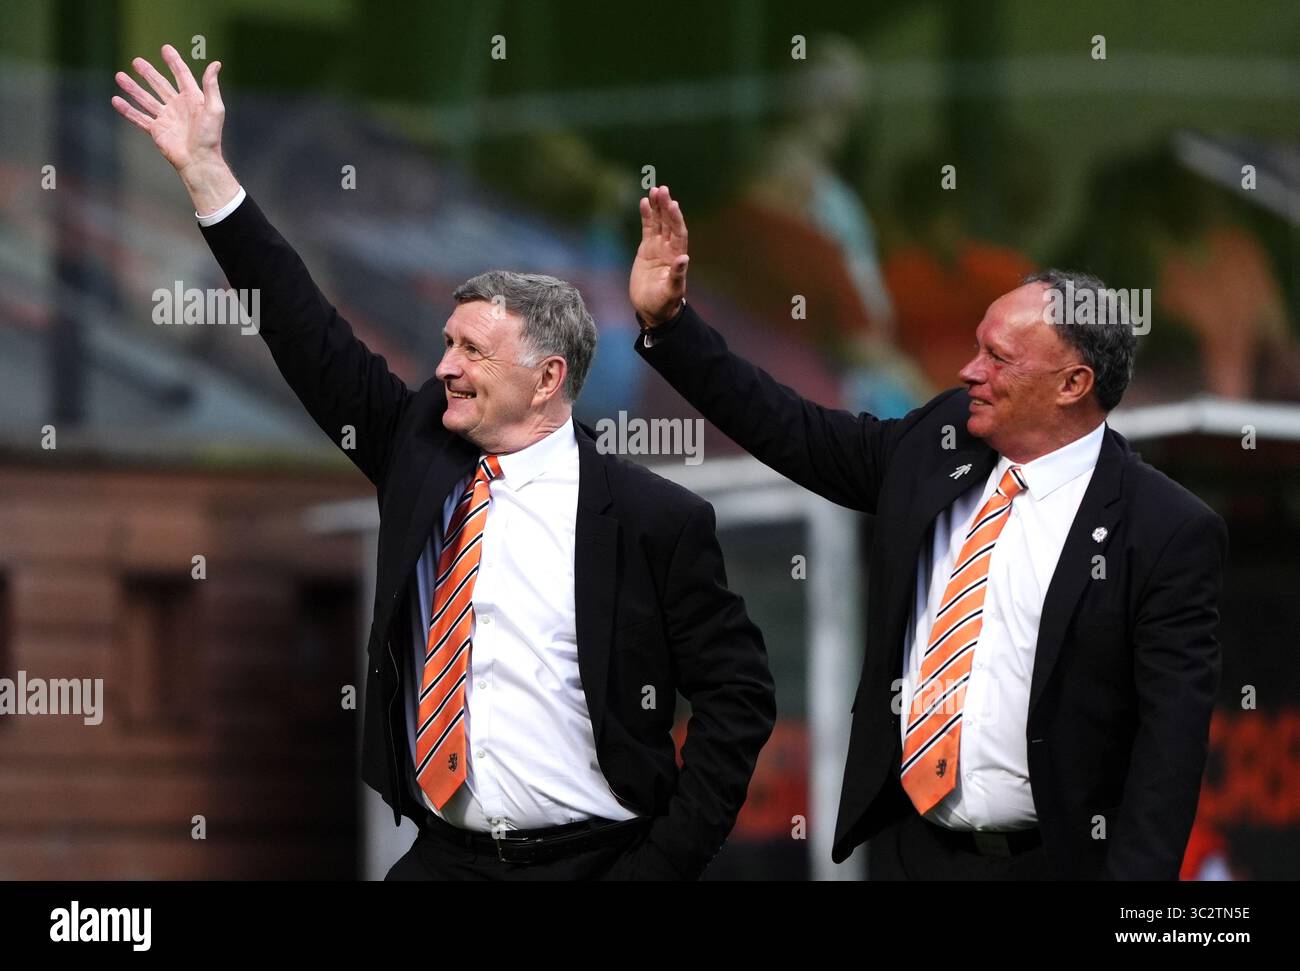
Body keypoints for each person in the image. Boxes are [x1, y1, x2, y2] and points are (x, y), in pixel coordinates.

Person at [112, 46, 775, 881]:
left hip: (595, 863)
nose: (445, 367)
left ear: (547, 379)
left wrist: (666, 861)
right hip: (442, 861)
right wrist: (209, 176)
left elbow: (740, 696)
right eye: (446, 344)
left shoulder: (652, 519)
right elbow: (302, 326)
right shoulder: (416, 455)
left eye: (472, 350)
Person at [629, 184, 1227, 880]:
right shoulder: (941, 440)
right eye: (976, 347)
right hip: (913, 854)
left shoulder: (1164, 530)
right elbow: (795, 430)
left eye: (999, 358)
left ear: (1073, 383)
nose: (970, 370)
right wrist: (672, 325)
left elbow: (1170, 752)